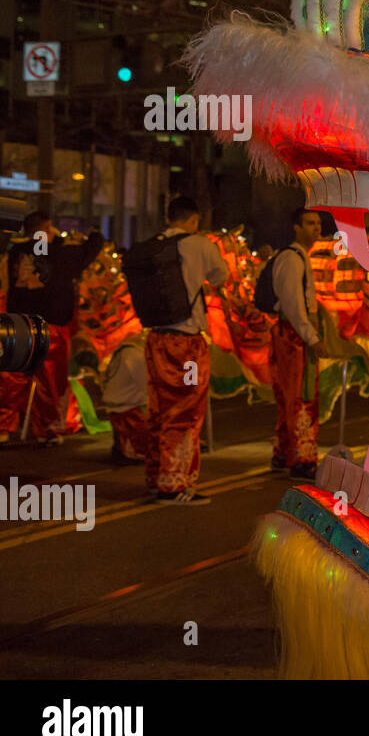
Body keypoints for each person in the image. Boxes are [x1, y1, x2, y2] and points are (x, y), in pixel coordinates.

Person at [143, 196, 228, 505]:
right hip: (186, 345)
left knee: (159, 410)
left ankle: (157, 476)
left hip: (155, 340)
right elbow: (222, 275)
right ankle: (175, 485)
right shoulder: (200, 244)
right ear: (193, 220)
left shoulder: (151, 246)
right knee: (186, 409)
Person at [0, 212, 102, 445]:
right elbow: (85, 254)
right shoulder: (56, 253)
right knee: (49, 382)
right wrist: (94, 236)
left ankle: (1, 427)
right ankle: (47, 429)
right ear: (44, 229)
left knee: (12, 377)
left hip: (18, 323)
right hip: (48, 326)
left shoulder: (15, 253)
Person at [269, 208, 329, 480]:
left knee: (289, 397)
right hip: (294, 337)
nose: (316, 228)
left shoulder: (299, 257)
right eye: (309, 223)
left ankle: (283, 453)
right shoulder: (292, 259)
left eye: (318, 223)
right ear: (296, 227)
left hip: (293, 334)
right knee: (301, 398)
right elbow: (295, 307)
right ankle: (302, 459)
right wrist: (312, 338)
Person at [102, 330, 150, 466]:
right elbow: (146, 384)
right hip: (128, 406)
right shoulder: (135, 353)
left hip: (122, 403)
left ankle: (122, 447)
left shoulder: (129, 349)